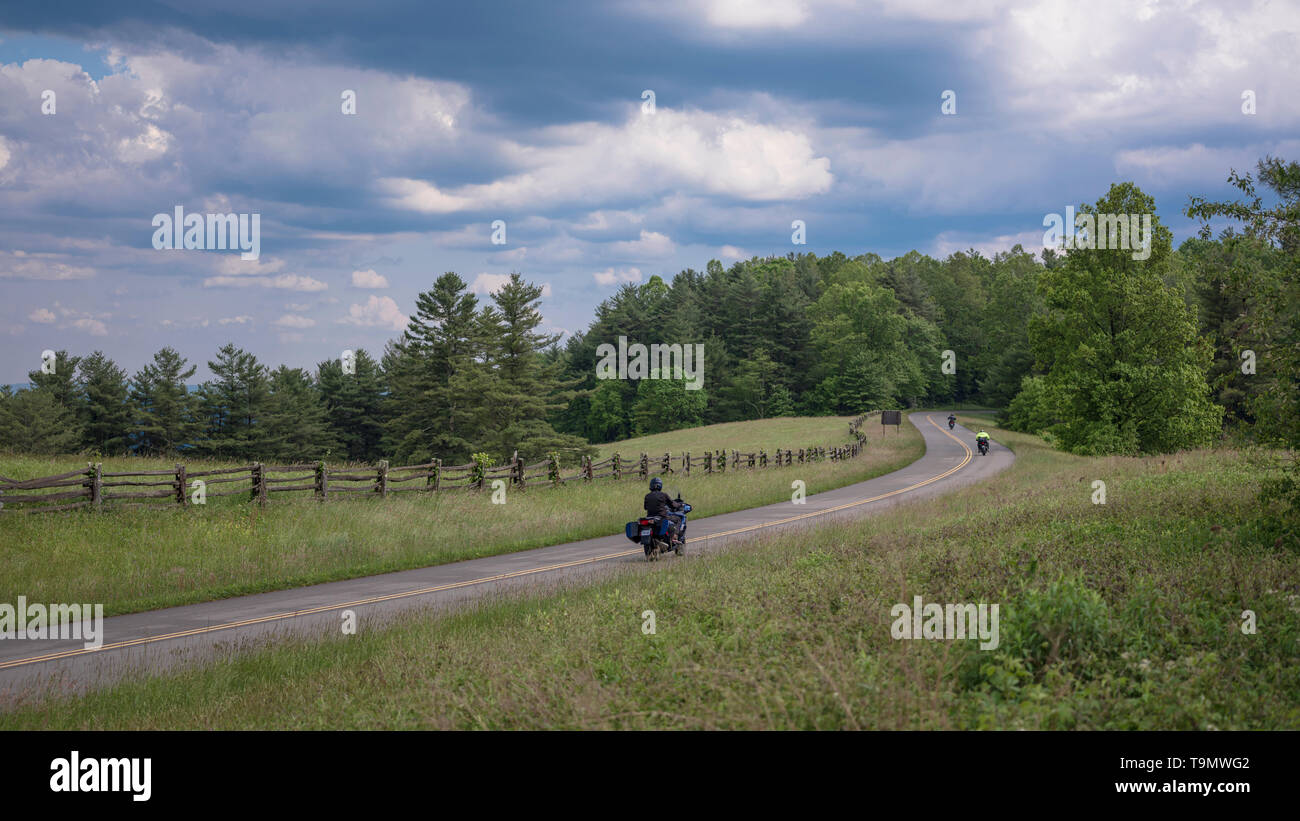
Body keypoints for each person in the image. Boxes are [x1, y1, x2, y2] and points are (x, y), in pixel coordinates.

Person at [643, 477, 682, 545]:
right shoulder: (664, 495)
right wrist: (679, 505)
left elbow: (645, 507)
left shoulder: (647, 496)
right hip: (662, 517)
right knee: (678, 519)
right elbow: (673, 505)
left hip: (650, 517)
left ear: (651, 486)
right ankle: (674, 537)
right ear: (660, 485)